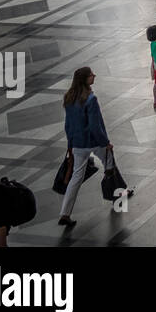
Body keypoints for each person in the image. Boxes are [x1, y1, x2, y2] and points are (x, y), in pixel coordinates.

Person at [58, 66, 113, 227]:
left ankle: (65, 213)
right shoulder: (91, 99)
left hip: (77, 143)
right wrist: (105, 143)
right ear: (85, 79)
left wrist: (70, 145)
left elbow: (68, 125)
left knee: (76, 177)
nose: (94, 76)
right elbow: (95, 126)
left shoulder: (69, 98)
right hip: (94, 142)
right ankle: (117, 194)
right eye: (91, 75)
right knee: (110, 164)